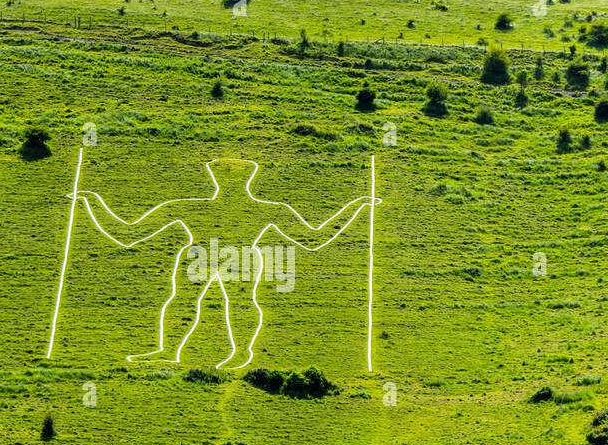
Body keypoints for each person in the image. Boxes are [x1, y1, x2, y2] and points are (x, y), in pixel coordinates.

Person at [70, 158, 378, 371]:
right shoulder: (194, 207)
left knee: (240, 301)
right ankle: (170, 351)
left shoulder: (264, 210)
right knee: (186, 299)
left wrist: (358, 205)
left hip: (236, 255)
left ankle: (240, 351)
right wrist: (89, 200)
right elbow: (129, 234)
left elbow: (313, 239)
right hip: (202, 254)